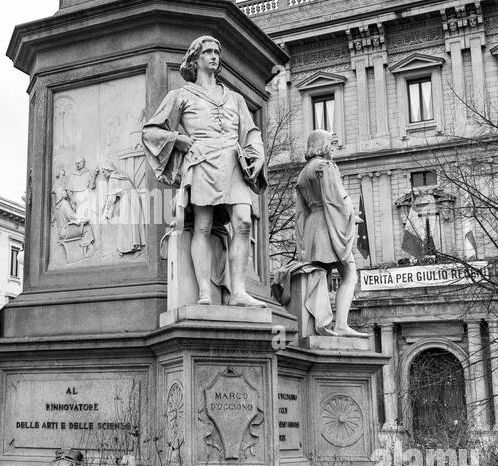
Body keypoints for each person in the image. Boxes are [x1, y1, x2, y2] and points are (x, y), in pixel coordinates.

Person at [142, 36, 265, 306]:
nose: (214, 56)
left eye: (216, 52)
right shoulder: (181, 96)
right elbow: (151, 131)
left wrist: (258, 155)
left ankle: (239, 292)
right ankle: (205, 292)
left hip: (233, 161)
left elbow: (251, 132)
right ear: (194, 59)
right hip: (202, 161)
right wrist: (179, 139)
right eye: (207, 52)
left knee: (243, 222)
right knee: (203, 225)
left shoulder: (235, 98)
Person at [278, 129, 362, 336]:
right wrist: (351, 215)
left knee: (321, 275)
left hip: (311, 227)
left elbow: (300, 212)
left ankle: (318, 323)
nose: (332, 148)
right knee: (350, 274)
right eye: (330, 144)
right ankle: (340, 324)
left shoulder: (303, 173)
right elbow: (336, 199)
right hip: (327, 225)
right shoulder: (325, 166)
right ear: (323, 145)